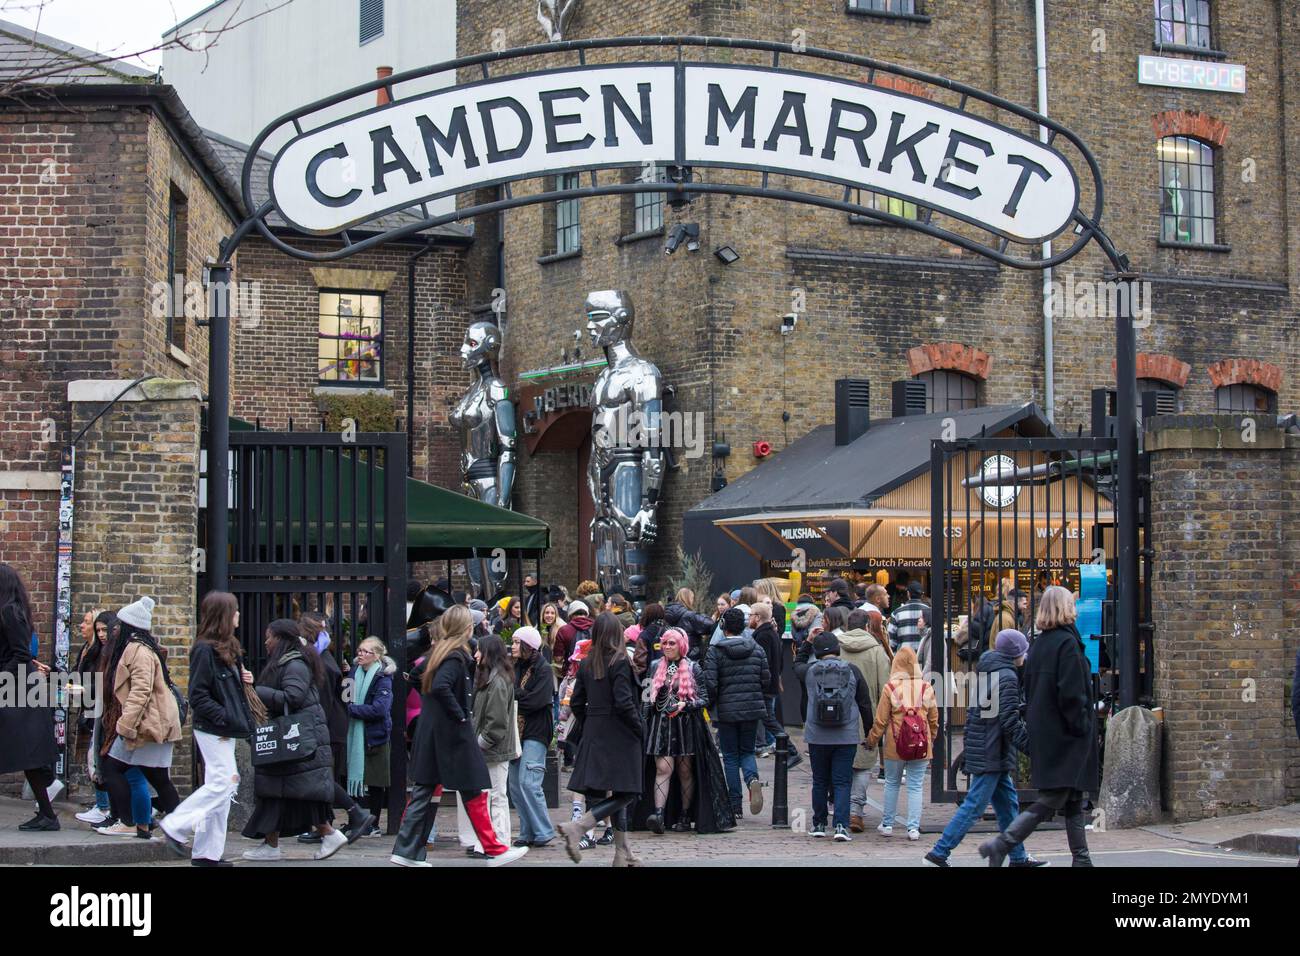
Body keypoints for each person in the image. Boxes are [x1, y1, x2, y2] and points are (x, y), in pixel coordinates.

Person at [392, 605, 527, 867]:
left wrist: (433, 711)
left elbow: (418, 679)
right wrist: (460, 715)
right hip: (453, 735)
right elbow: (442, 687)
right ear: (466, 628)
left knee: (425, 793)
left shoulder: (437, 654)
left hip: (434, 734)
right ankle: (494, 849)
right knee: (473, 791)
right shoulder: (454, 656)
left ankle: (406, 850)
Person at [979, 587, 1099, 867]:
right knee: (1054, 797)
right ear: (1064, 608)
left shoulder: (1041, 644)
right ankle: (1002, 844)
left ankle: (1082, 860)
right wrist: (1081, 725)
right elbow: (1071, 694)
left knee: (1072, 797)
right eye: (1072, 602)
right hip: (1066, 735)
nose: (1076, 606)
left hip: (1048, 732)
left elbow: (1031, 689)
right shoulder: (1067, 645)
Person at [925, 629, 1046, 867]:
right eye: (1022, 651)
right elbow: (1009, 722)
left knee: (1008, 804)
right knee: (974, 806)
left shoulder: (989, 671)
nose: (1025, 656)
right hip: (992, 749)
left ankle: (1019, 857)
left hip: (988, 747)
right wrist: (1034, 750)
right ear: (1016, 654)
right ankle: (938, 853)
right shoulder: (1008, 677)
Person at [158, 591, 254, 866]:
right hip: (215, 728)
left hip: (225, 727)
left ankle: (206, 853)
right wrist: (224, 717)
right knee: (225, 782)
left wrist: (244, 678)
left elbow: (224, 689)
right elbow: (198, 695)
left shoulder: (228, 647)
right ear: (224, 615)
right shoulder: (204, 649)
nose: (238, 616)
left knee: (222, 788)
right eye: (234, 611)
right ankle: (175, 824)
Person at [242, 619, 349, 862]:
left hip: (297, 739)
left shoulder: (295, 664)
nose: (266, 641)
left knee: (296, 791)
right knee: (279, 792)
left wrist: (258, 690)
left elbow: (294, 697)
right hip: (294, 740)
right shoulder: (287, 662)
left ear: (280, 638)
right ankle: (272, 845)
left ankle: (328, 833)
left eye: (269, 636)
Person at [559, 612, 645, 866]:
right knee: (628, 792)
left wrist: (591, 724)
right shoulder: (619, 661)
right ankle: (580, 826)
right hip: (620, 733)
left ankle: (623, 853)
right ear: (617, 633)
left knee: (618, 792)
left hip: (596, 732)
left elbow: (576, 702)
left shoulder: (587, 663)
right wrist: (640, 728)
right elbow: (624, 702)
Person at [631, 627, 735, 835]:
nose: (667, 647)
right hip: (661, 728)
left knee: (685, 771)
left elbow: (705, 698)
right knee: (662, 769)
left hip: (685, 726)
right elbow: (645, 698)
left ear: (681, 646)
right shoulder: (654, 666)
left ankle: (685, 815)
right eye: (665, 643)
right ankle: (658, 815)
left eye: (672, 643)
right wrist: (643, 722)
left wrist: (685, 705)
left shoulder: (694, 668)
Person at [98, 596, 183, 840]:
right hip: (149, 724)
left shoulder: (137, 650)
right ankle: (157, 826)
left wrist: (124, 725)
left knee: (112, 769)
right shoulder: (141, 648)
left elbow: (141, 691)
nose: (115, 630)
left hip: (147, 725)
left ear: (128, 626)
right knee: (156, 778)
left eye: (119, 625)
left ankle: (129, 822)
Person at [296, 613, 375, 845]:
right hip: (330, 726)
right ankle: (326, 825)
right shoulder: (324, 659)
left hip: (328, 727)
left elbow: (324, 702)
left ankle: (353, 815)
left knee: (321, 777)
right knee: (321, 777)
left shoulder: (322, 662)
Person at [794, 630, 874, 840]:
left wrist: (807, 643)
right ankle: (840, 826)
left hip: (817, 735)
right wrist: (870, 732)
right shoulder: (852, 671)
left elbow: (796, 665)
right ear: (838, 649)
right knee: (842, 781)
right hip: (846, 735)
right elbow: (865, 703)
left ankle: (819, 824)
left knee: (820, 780)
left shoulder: (810, 671)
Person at [0, 562, 59, 831]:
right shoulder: (11, 611)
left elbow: (21, 656)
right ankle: (48, 815)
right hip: (17, 691)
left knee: (30, 758)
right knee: (30, 760)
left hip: (16, 693)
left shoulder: (10, 612)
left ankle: (48, 816)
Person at [866, 645, 938, 841]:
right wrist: (930, 738)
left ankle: (888, 824)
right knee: (915, 786)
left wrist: (871, 740)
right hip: (921, 744)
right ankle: (913, 828)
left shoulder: (890, 688)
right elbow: (934, 719)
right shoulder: (926, 687)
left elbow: (880, 721)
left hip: (895, 744)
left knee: (891, 783)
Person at [703, 606, 769, 819]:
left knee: (730, 757)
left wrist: (710, 705)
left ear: (723, 627)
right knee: (747, 752)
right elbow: (766, 680)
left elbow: (710, 684)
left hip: (727, 711)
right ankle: (752, 780)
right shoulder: (757, 649)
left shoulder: (716, 651)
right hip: (752, 709)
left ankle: (735, 805)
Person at [456, 633, 516, 857]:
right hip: (490, 748)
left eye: (479, 649)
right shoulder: (490, 678)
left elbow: (496, 724)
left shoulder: (497, 681)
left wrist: (478, 745)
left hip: (495, 750)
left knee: (497, 796)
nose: (476, 653)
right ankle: (489, 842)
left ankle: (499, 841)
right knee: (489, 795)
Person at [836, 609, 891, 832]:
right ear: (867, 626)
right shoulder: (877, 652)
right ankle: (855, 813)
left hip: (837, 715)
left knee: (841, 763)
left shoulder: (836, 646)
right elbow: (884, 687)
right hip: (867, 715)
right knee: (863, 764)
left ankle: (839, 809)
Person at [508, 625, 557, 848]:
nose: (513, 646)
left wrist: (516, 697)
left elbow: (536, 701)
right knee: (515, 785)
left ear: (529, 646)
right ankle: (527, 831)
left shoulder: (543, 669)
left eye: (518, 642)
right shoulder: (514, 667)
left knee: (529, 781)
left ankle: (544, 830)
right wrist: (518, 697)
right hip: (516, 730)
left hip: (536, 730)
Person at [346, 637, 395, 833]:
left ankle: (373, 824)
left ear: (376, 656)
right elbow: (346, 697)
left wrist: (354, 710)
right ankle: (356, 820)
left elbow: (379, 710)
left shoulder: (383, 678)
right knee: (352, 777)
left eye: (366, 651)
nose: (360, 654)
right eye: (359, 650)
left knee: (375, 782)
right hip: (355, 735)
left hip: (375, 736)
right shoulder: (354, 672)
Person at [74, 609, 117, 826]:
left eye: (102, 629)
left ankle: (105, 807)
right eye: (98, 628)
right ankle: (104, 806)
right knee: (95, 760)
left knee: (100, 761)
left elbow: (106, 684)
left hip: (105, 714)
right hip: (93, 711)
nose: (100, 633)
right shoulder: (91, 650)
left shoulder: (110, 653)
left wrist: (85, 690)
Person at [750, 601, 801, 766]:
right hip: (768, 685)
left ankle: (791, 750)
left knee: (769, 720)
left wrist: (762, 683)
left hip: (764, 687)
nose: (748, 618)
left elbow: (763, 663)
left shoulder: (763, 636)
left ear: (757, 617)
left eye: (751, 615)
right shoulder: (770, 633)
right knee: (768, 719)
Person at [553, 600, 594, 685]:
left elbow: (558, 658)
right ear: (586, 614)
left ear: (570, 614)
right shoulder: (596, 627)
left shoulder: (564, 630)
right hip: (594, 672)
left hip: (572, 674)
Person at [886, 581, 931, 654]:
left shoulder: (897, 613)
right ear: (922, 594)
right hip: (923, 658)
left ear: (908, 593)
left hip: (904, 659)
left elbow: (891, 640)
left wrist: (894, 658)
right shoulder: (929, 611)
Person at [633, 602, 667, 676]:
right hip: (666, 676)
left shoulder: (644, 635)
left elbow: (640, 662)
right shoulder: (669, 632)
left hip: (649, 678)